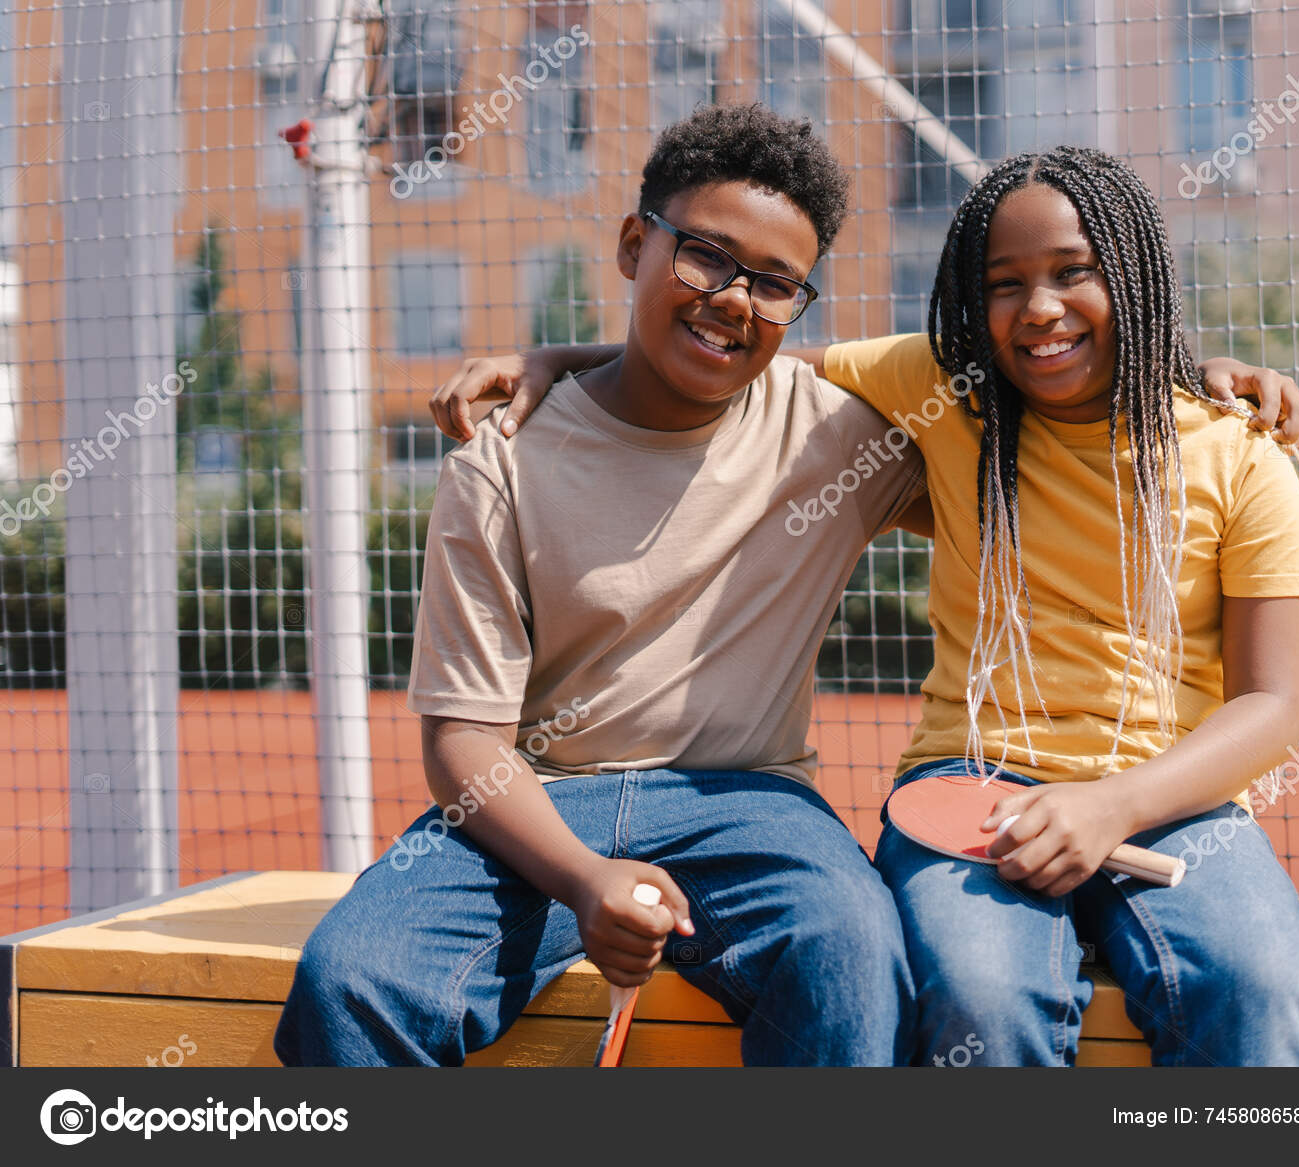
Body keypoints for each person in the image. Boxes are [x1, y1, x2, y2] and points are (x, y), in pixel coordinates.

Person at [426, 138, 1299, 1068]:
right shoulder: (944, 386)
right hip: (970, 782)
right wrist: (560, 360)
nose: (1040, 308)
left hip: (1173, 797)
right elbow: (738, 345)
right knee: (980, 1001)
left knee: (1258, 992)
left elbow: (1274, 704)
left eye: (1075, 273)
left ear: (1134, 277)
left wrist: (1115, 804)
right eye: (1003, 284)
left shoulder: (1240, 449)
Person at [275, 104, 933, 1067]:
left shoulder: (837, 434)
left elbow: (1038, 435)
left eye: (775, 283)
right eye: (705, 257)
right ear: (635, 244)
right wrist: (584, 879)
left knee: (854, 951)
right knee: (351, 978)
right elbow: (463, 741)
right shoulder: (501, 453)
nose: (733, 300)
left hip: (751, 802)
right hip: (537, 801)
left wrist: (1197, 384)